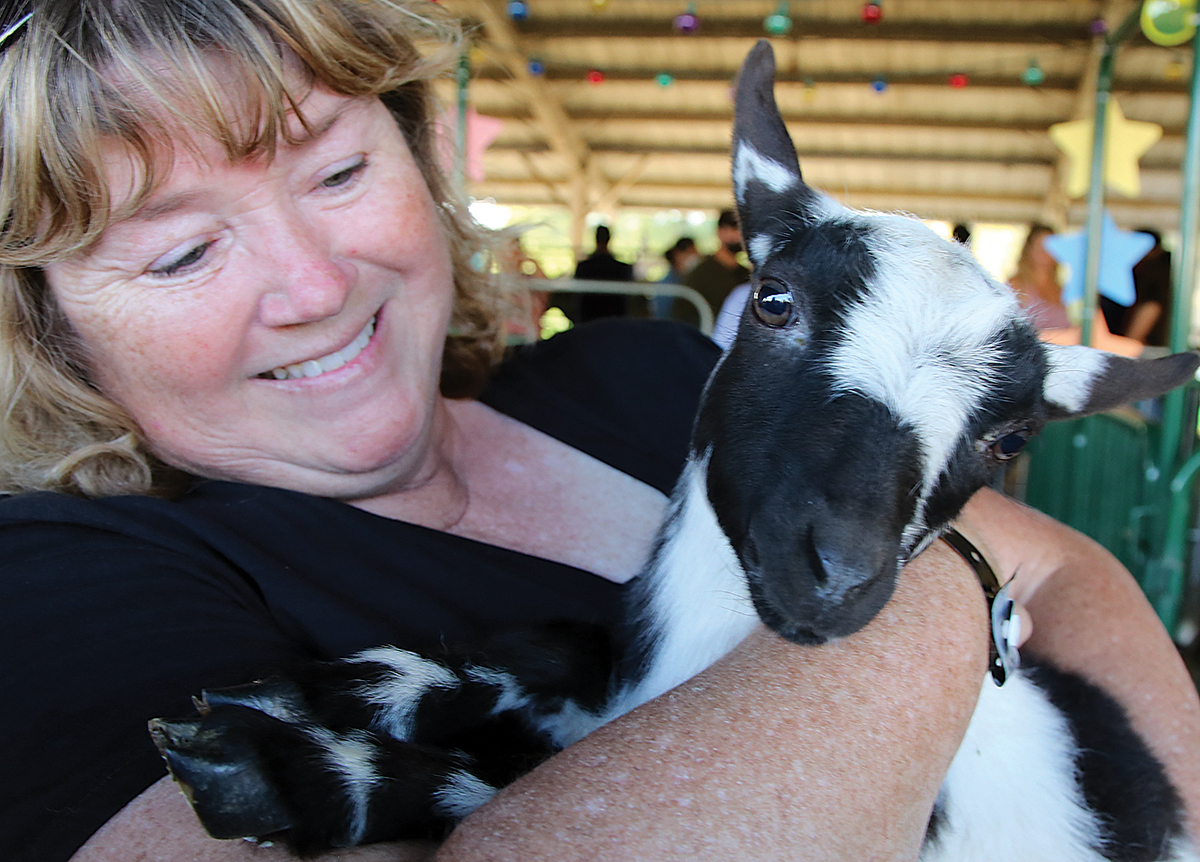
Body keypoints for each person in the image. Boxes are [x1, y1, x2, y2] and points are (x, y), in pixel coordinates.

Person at [0, 3, 1195, 862]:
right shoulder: (62, 585)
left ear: (421, 164)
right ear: (46, 322)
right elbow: (1021, 569)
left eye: (336, 173)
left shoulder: (638, 370)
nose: (313, 284)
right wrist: (931, 591)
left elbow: (1080, 574)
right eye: (183, 250)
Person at [1009, 223, 1143, 357]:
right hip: (1032, 361)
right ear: (1029, 248)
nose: (1045, 252)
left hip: (1059, 359)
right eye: (1040, 245)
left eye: (1050, 246)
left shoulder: (1062, 289)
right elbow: (1011, 333)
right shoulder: (1016, 285)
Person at [683, 208, 751, 320]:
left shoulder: (745, 273)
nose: (739, 235)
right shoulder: (701, 273)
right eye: (733, 228)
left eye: (743, 230)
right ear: (719, 231)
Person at [569, 224, 634, 323]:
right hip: (615, 322)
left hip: (588, 322)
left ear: (595, 239)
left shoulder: (584, 267)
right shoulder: (622, 269)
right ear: (609, 239)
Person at [649, 235, 699, 319]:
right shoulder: (666, 285)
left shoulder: (692, 280)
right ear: (677, 254)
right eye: (691, 253)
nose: (694, 259)